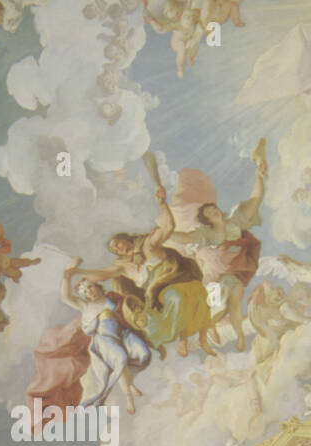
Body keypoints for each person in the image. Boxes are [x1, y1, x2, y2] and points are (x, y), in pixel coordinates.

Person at [75, 183, 216, 358]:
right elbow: (100, 275)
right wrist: (77, 271)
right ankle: (181, 340)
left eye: (118, 244)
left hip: (175, 280)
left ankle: (195, 338)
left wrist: (162, 204)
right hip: (154, 297)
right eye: (115, 250)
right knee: (174, 298)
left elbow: (168, 227)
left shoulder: (148, 245)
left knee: (190, 293)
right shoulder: (123, 266)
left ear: (127, 239)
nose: (118, 250)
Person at [165, 147, 268, 352]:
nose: (214, 212)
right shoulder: (205, 234)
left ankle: (234, 335)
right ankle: (202, 332)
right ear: (206, 220)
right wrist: (166, 232)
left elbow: (255, 199)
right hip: (212, 276)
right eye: (210, 214)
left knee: (235, 301)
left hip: (231, 272)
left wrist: (259, 176)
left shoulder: (235, 222)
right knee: (213, 307)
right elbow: (185, 237)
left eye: (215, 210)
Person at [61, 262, 151, 415]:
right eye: (85, 292)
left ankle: (128, 382)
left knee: (144, 354)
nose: (89, 292)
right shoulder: (85, 306)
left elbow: (128, 312)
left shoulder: (113, 299)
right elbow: (66, 297)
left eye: (90, 287)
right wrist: (66, 278)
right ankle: (128, 397)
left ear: (97, 286)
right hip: (104, 338)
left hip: (123, 333)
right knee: (120, 358)